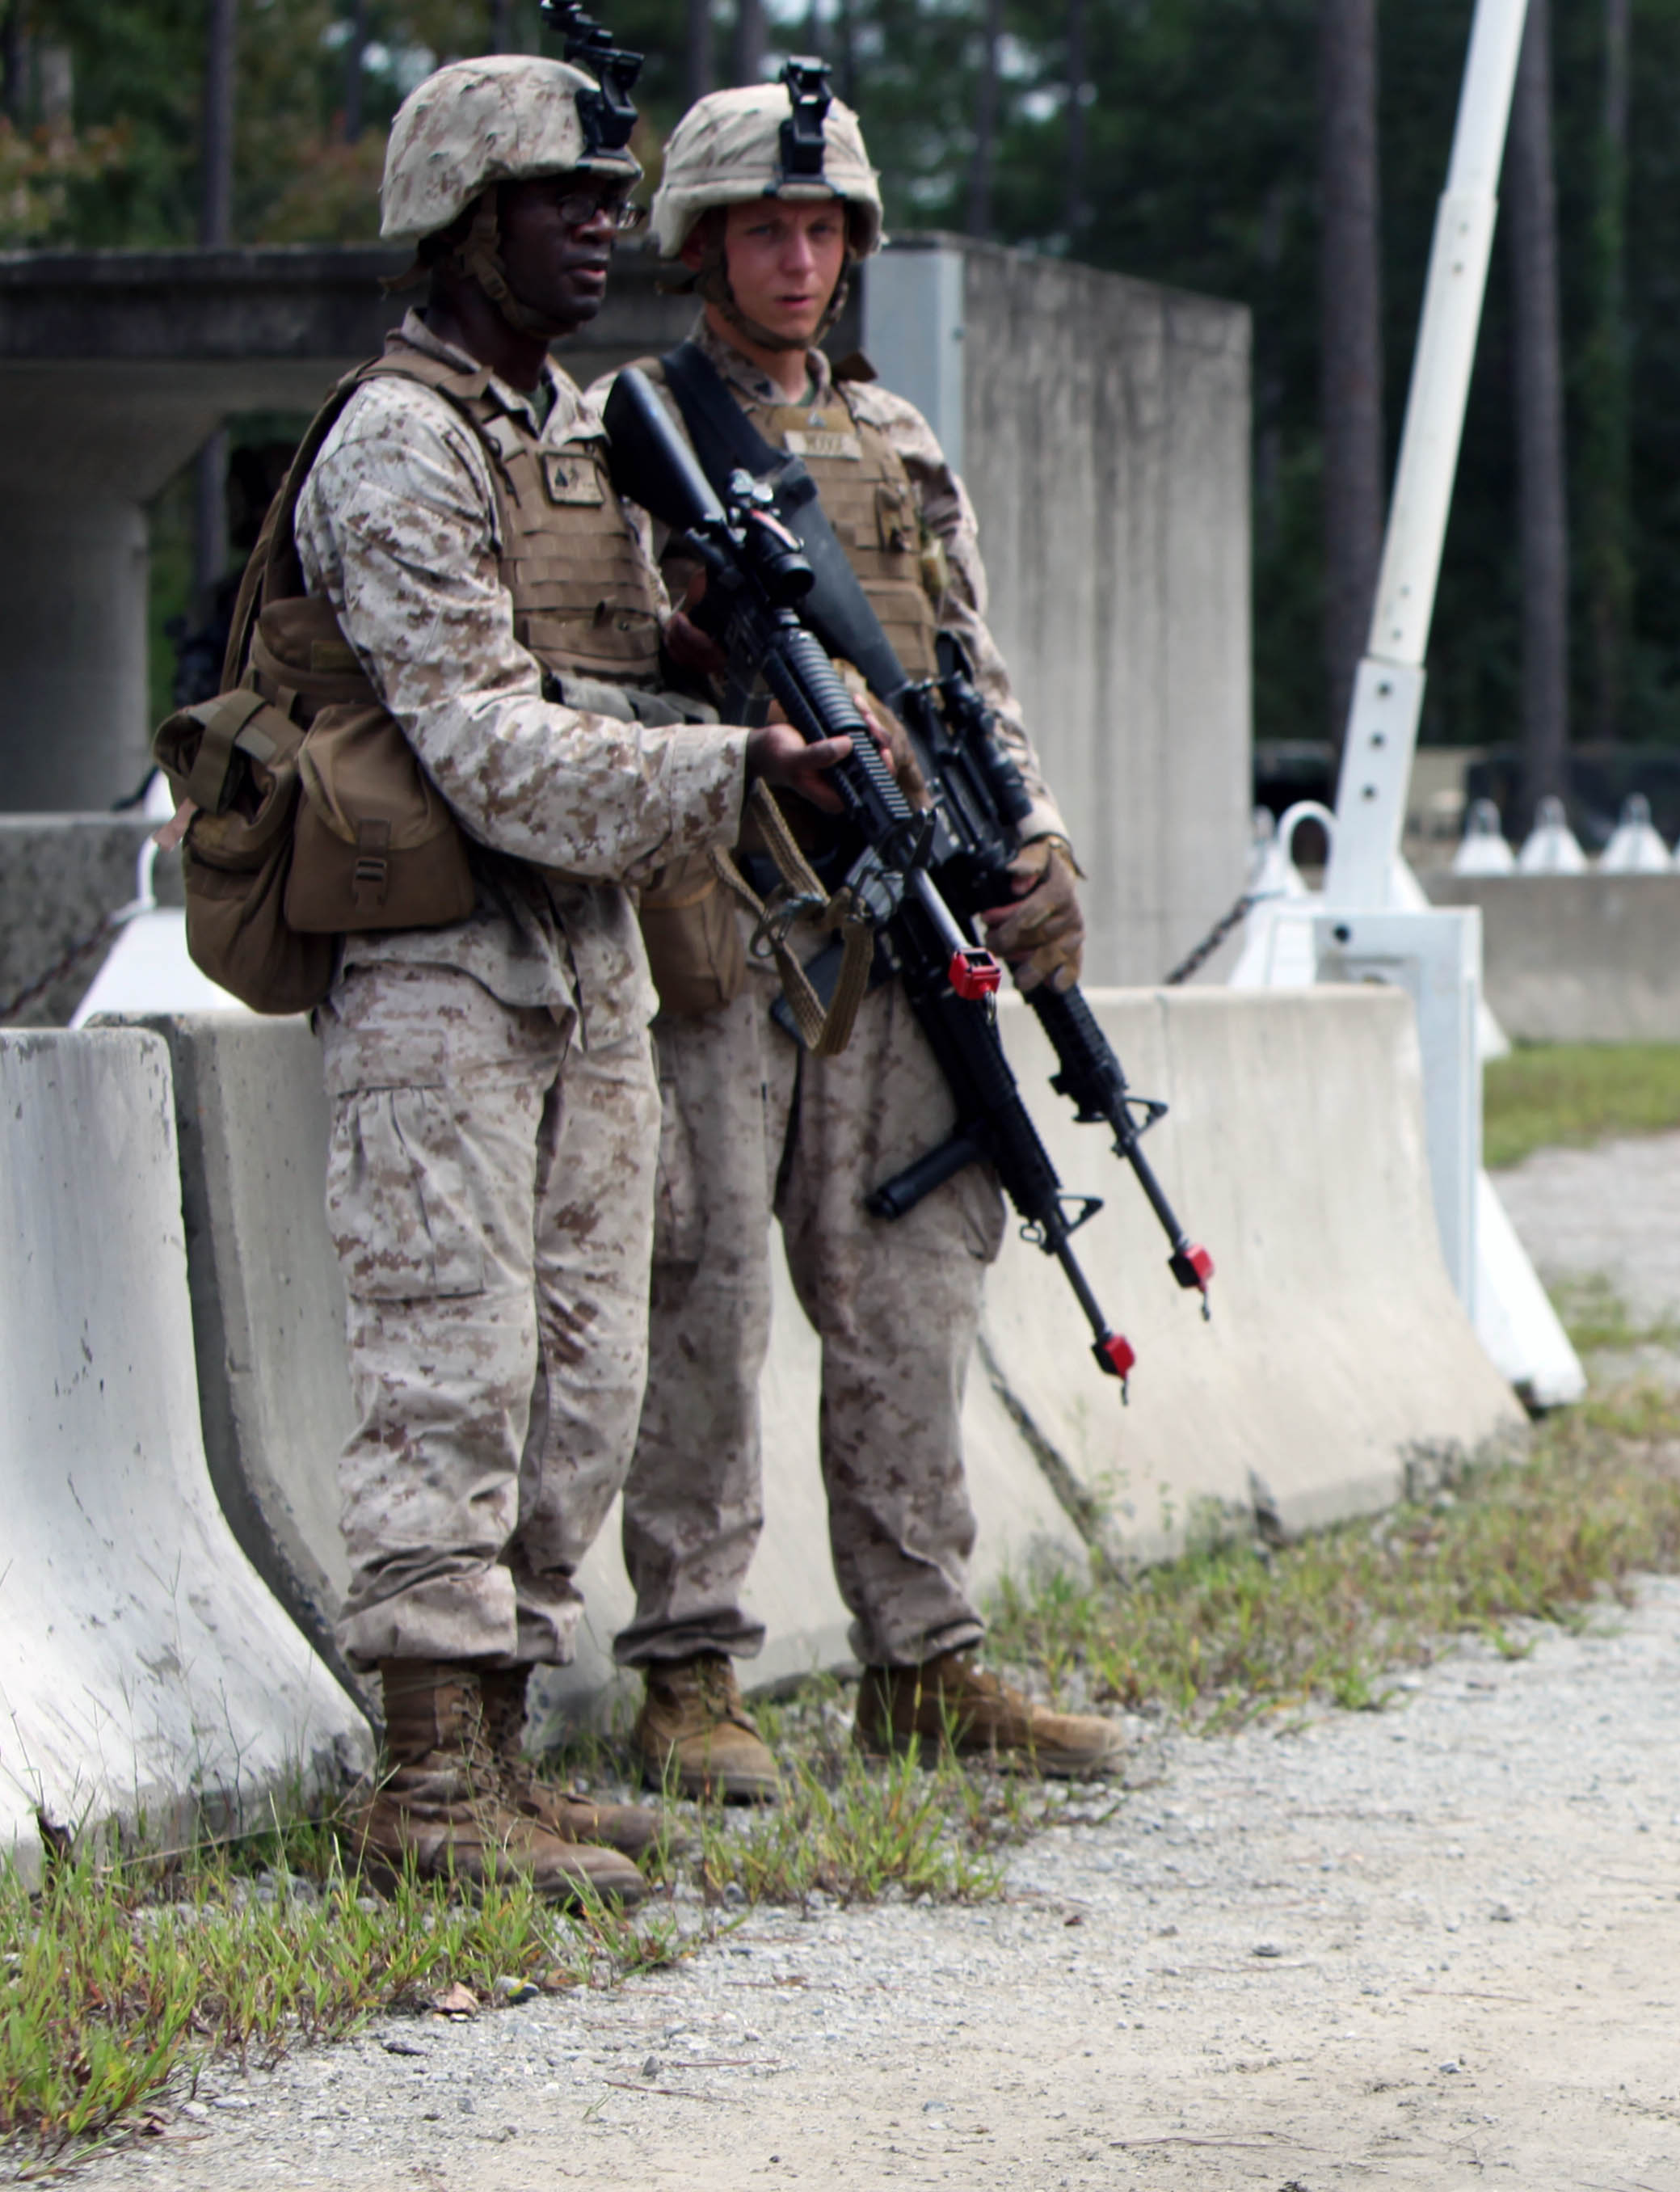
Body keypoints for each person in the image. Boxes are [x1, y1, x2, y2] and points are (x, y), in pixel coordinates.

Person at [312, 48, 859, 1896]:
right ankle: (429, 1781)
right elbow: (475, 735)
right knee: (452, 1366)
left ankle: (514, 1742)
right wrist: (724, 764)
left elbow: (593, 679)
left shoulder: (563, 431)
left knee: (582, 1368)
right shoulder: (397, 442)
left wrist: (713, 653)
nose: (601, 229)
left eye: (607, 197)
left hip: (581, 951)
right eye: (564, 200)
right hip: (438, 966)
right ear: (465, 217)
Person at [604, 72, 1122, 1805]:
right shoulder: (638, 438)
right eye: (766, 228)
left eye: (824, 229)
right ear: (702, 247)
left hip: (897, 922)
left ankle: (924, 1657)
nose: (800, 259)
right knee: (706, 1288)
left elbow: (967, 669)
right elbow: (599, 665)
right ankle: (689, 1669)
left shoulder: (894, 445)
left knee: (908, 1286)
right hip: (726, 912)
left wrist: (1031, 837)